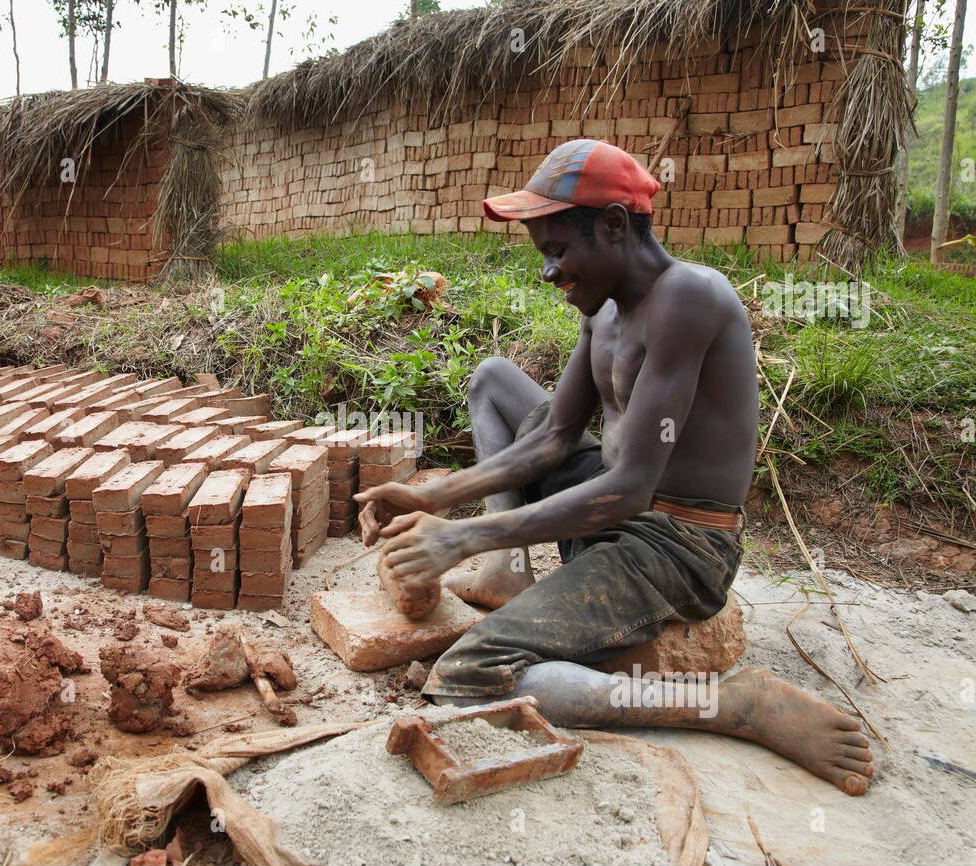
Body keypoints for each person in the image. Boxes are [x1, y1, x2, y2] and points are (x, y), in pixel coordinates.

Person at [356, 139, 873, 796]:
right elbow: (553, 441)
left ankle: (732, 704)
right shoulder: (603, 310)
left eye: (557, 250)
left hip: (677, 545)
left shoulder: (688, 295)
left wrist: (461, 536)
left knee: (471, 673)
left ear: (614, 226)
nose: (549, 272)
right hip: (618, 511)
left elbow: (631, 487)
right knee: (501, 384)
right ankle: (507, 574)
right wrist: (437, 497)